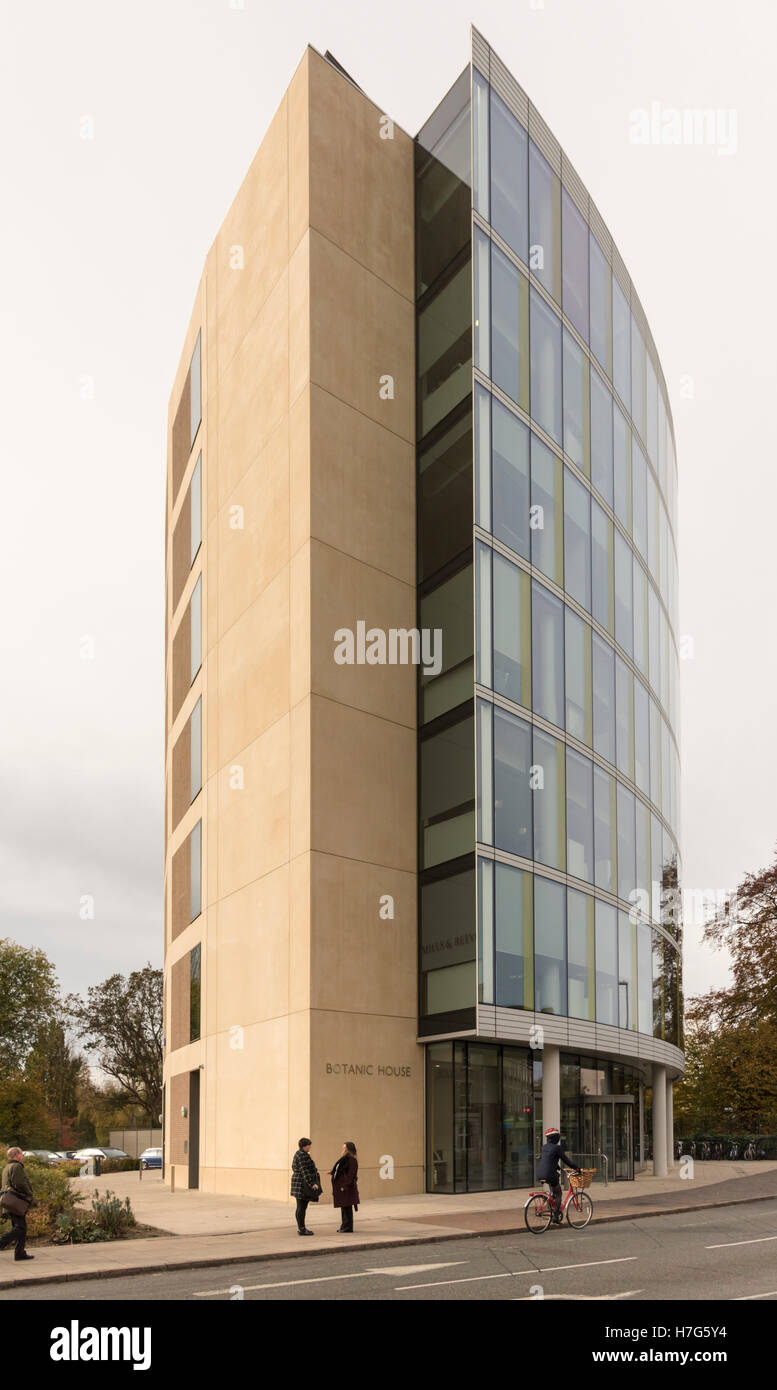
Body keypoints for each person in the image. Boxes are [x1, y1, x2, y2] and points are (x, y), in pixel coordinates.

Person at [536, 1127, 581, 1225]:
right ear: (556, 1137)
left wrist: (557, 1167)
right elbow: (566, 1160)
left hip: (540, 1173)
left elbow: (548, 1160)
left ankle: (551, 1206)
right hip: (550, 1174)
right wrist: (577, 1168)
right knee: (559, 1193)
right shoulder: (557, 1148)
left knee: (553, 1192)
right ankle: (555, 1216)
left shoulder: (544, 1147)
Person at [0, 1147, 35, 1261]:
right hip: (16, 1202)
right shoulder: (16, 1166)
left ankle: (20, 1252)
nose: (23, 1156)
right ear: (17, 1155)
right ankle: (2, 1243)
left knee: (20, 1227)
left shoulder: (7, 1167)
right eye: (22, 1154)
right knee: (20, 1228)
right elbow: (20, 1183)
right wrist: (29, 1194)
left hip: (10, 1201)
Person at [290, 1138, 320, 1236]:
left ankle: (301, 1228)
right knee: (301, 1207)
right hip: (301, 1184)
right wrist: (312, 1183)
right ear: (304, 1146)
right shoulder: (302, 1155)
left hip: (299, 1183)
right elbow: (304, 1171)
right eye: (309, 1145)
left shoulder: (299, 1154)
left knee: (301, 1206)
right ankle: (302, 1229)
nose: (310, 1147)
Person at [329, 1141, 359, 1233]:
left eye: (344, 1148)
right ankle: (344, 1226)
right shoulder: (345, 1159)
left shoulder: (352, 1160)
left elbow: (351, 1175)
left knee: (347, 1208)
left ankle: (348, 1227)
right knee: (344, 1207)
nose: (343, 1149)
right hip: (342, 1187)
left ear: (348, 1149)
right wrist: (333, 1172)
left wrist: (344, 1186)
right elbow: (341, 1170)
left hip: (346, 1188)